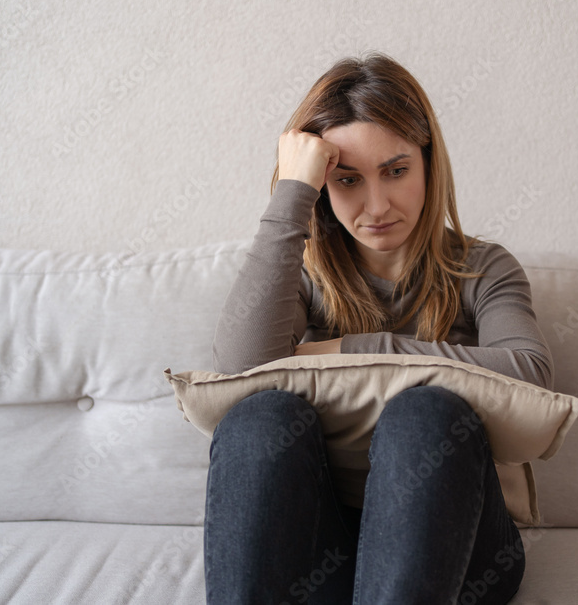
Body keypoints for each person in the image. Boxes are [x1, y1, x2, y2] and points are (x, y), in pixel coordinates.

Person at [206, 51, 553, 604]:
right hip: (324, 559)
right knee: (260, 416)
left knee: (426, 412)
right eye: (347, 179)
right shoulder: (300, 276)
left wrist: (345, 350)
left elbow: (530, 375)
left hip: (459, 554)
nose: (378, 205)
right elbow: (236, 373)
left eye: (396, 170)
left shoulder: (484, 269)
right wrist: (292, 191)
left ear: (428, 163)